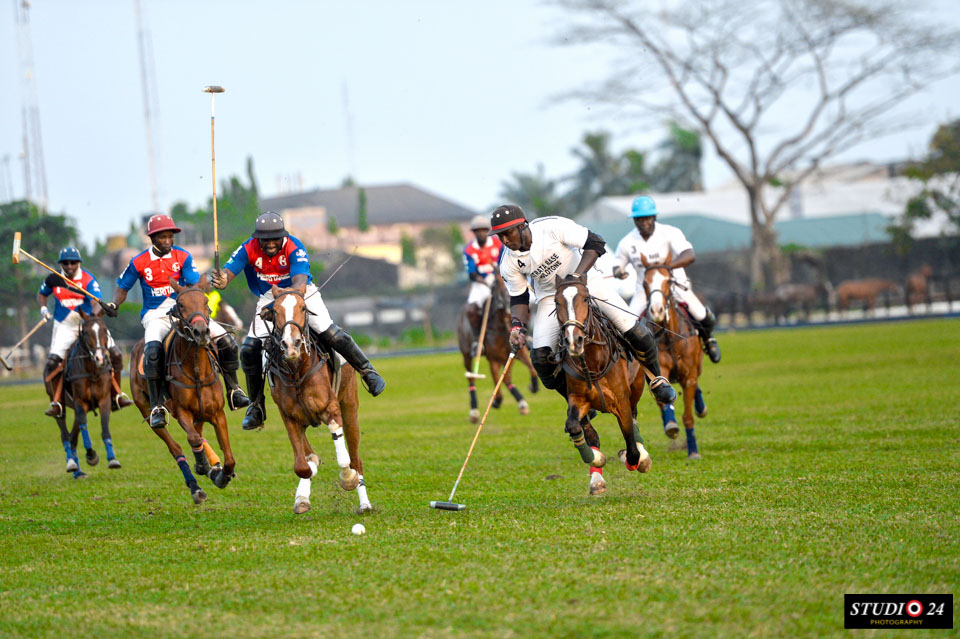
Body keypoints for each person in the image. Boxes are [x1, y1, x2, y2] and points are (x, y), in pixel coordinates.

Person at [211, 211, 386, 431]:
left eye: (275, 238)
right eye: (265, 239)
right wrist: (222, 278)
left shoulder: (295, 247)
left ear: (283, 235)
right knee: (248, 348)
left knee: (328, 331)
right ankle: (256, 407)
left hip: (301, 293)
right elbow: (228, 273)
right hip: (269, 297)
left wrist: (283, 302)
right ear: (258, 239)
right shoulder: (248, 248)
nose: (271, 243)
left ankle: (367, 371)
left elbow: (300, 282)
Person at [491, 204, 677, 408]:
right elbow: (519, 298)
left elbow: (595, 242)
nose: (505, 240)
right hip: (551, 297)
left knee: (633, 328)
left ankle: (657, 379)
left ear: (522, 226)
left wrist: (577, 276)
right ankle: (574, 399)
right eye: (500, 236)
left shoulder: (552, 227)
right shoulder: (508, 261)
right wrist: (517, 326)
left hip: (588, 283)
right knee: (540, 360)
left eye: (508, 233)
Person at [112, 214, 250, 428]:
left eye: (170, 236)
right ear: (152, 238)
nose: (167, 241)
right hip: (155, 315)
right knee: (153, 352)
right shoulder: (139, 261)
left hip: (185, 312)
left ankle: (233, 389)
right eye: (162, 237)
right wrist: (114, 304)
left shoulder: (183, 256)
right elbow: (122, 288)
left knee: (227, 342)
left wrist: (205, 285)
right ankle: (157, 405)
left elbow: (194, 284)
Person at [612, 196, 722, 363]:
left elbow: (689, 255)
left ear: (654, 217)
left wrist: (668, 267)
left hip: (675, 285)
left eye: (647, 218)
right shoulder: (627, 242)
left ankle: (708, 339)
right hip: (645, 291)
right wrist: (619, 271)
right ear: (634, 220)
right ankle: (629, 360)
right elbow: (618, 264)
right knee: (626, 325)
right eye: (639, 219)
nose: (643, 223)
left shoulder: (670, 233)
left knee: (702, 315)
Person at [37, 246, 133, 417]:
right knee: (52, 362)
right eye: (65, 263)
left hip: (88, 324)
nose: (69, 266)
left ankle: (117, 395)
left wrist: (92, 320)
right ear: (61, 264)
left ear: (78, 263)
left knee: (116, 355)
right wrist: (44, 308)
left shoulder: (88, 280)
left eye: (73, 262)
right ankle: (57, 402)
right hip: (65, 325)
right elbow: (42, 294)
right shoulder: (53, 278)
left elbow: (96, 302)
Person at [461, 214, 504, 342]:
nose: (481, 233)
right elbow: (472, 274)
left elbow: (506, 263)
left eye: (484, 230)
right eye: (477, 231)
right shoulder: (469, 250)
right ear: (473, 232)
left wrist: (498, 276)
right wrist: (486, 282)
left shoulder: (498, 244)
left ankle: (526, 334)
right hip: (481, 283)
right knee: (471, 310)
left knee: (524, 302)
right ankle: (477, 339)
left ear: (488, 231)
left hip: (501, 280)